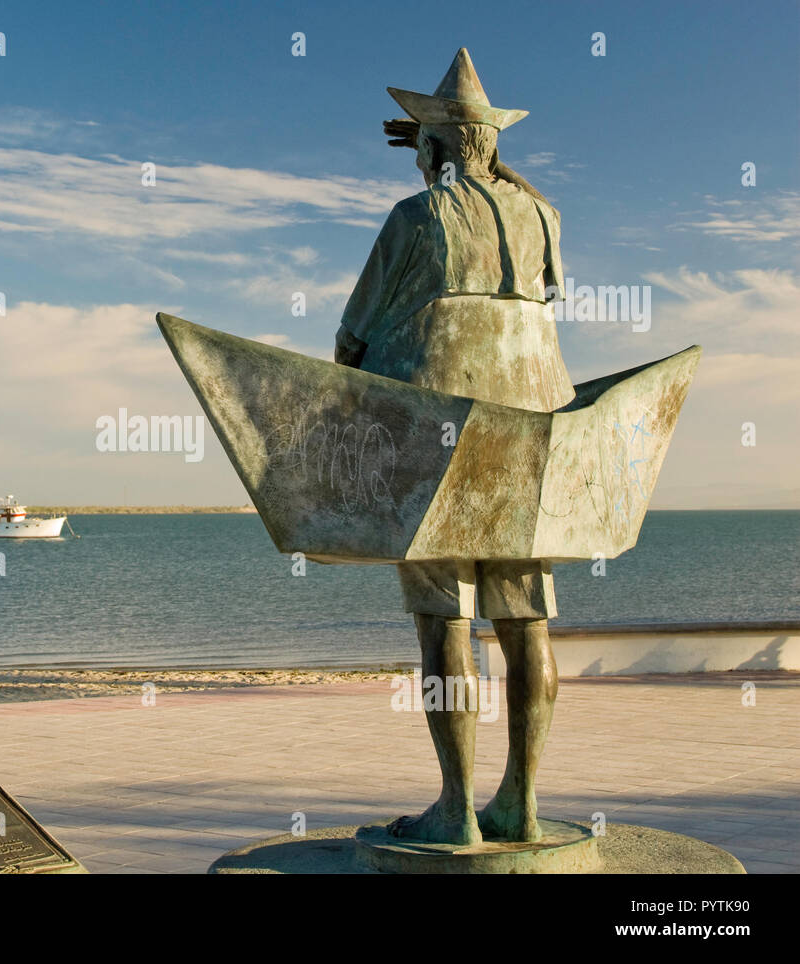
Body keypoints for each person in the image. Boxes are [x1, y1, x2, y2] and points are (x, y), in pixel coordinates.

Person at [333, 49, 571, 844]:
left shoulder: (413, 216)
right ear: (495, 147)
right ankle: (524, 802)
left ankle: (458, 809)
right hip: (529, 442)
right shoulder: (543, 217)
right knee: (526, 625)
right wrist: (456, 151)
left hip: (432, 440)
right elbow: (514, 219)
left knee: (445, 628)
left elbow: (353, 334)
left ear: (433, 148)